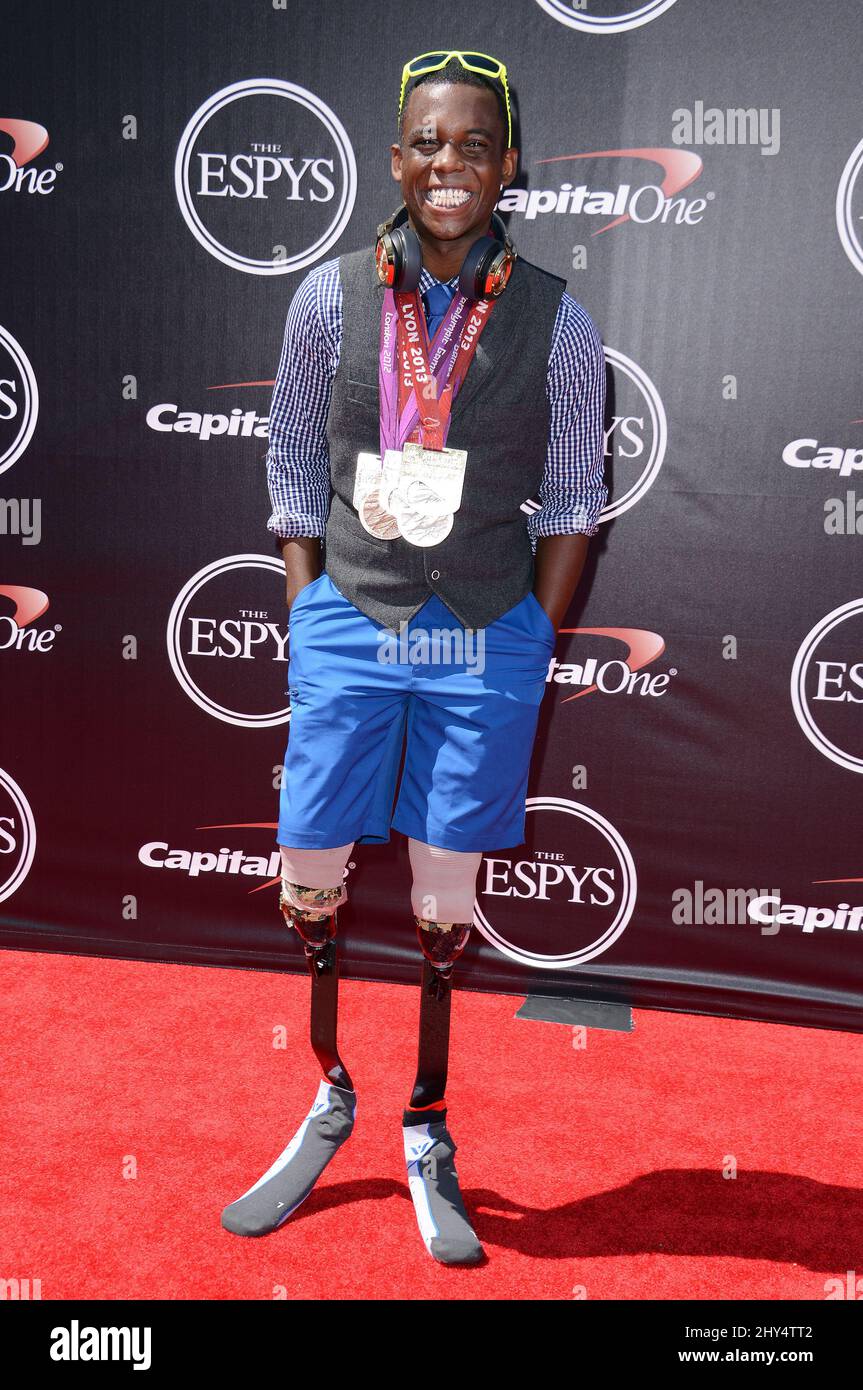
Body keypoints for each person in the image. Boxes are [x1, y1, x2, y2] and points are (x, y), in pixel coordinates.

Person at [221, 50, 607, 1266]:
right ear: (397, 159)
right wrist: (308, 610)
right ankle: (331, 1083)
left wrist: (528, 634)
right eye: (429, 144)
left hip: (483, 630)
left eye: (475, 146)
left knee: (446, 898)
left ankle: (425, 1119)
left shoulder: (558, 313)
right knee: (310, 874)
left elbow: (572, 499)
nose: (451, 166)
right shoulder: (328, 300)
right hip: (350, 614)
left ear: (509, 167)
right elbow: (290, 465)